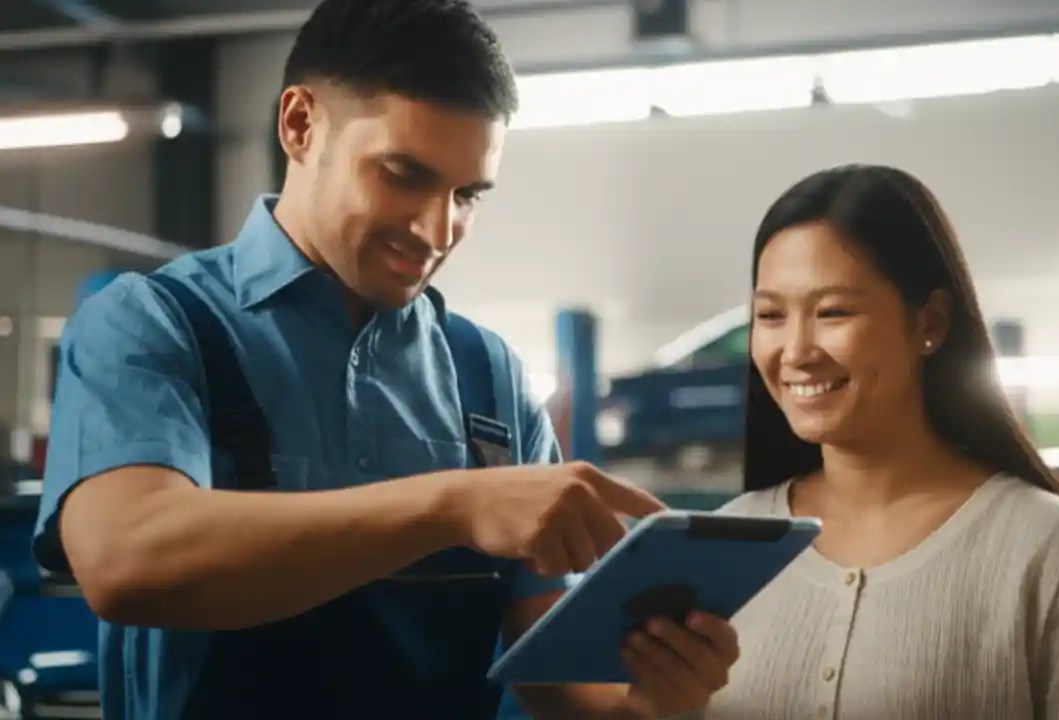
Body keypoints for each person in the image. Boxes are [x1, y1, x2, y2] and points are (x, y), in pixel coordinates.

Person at [32, 1, 738, 718]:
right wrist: (453, 506)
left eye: (467, 195)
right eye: (404, 174)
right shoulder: (153, 324)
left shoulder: (488, 379)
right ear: (301, 125)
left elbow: (550, 682)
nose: (438, 230)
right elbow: (127, 560)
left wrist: (647, 703)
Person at [695, 164, 1059, 719]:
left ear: (930, 320)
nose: (796, 351)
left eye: (833, 312)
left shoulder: (1053, 550)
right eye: (770, 315)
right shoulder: (724, 547)